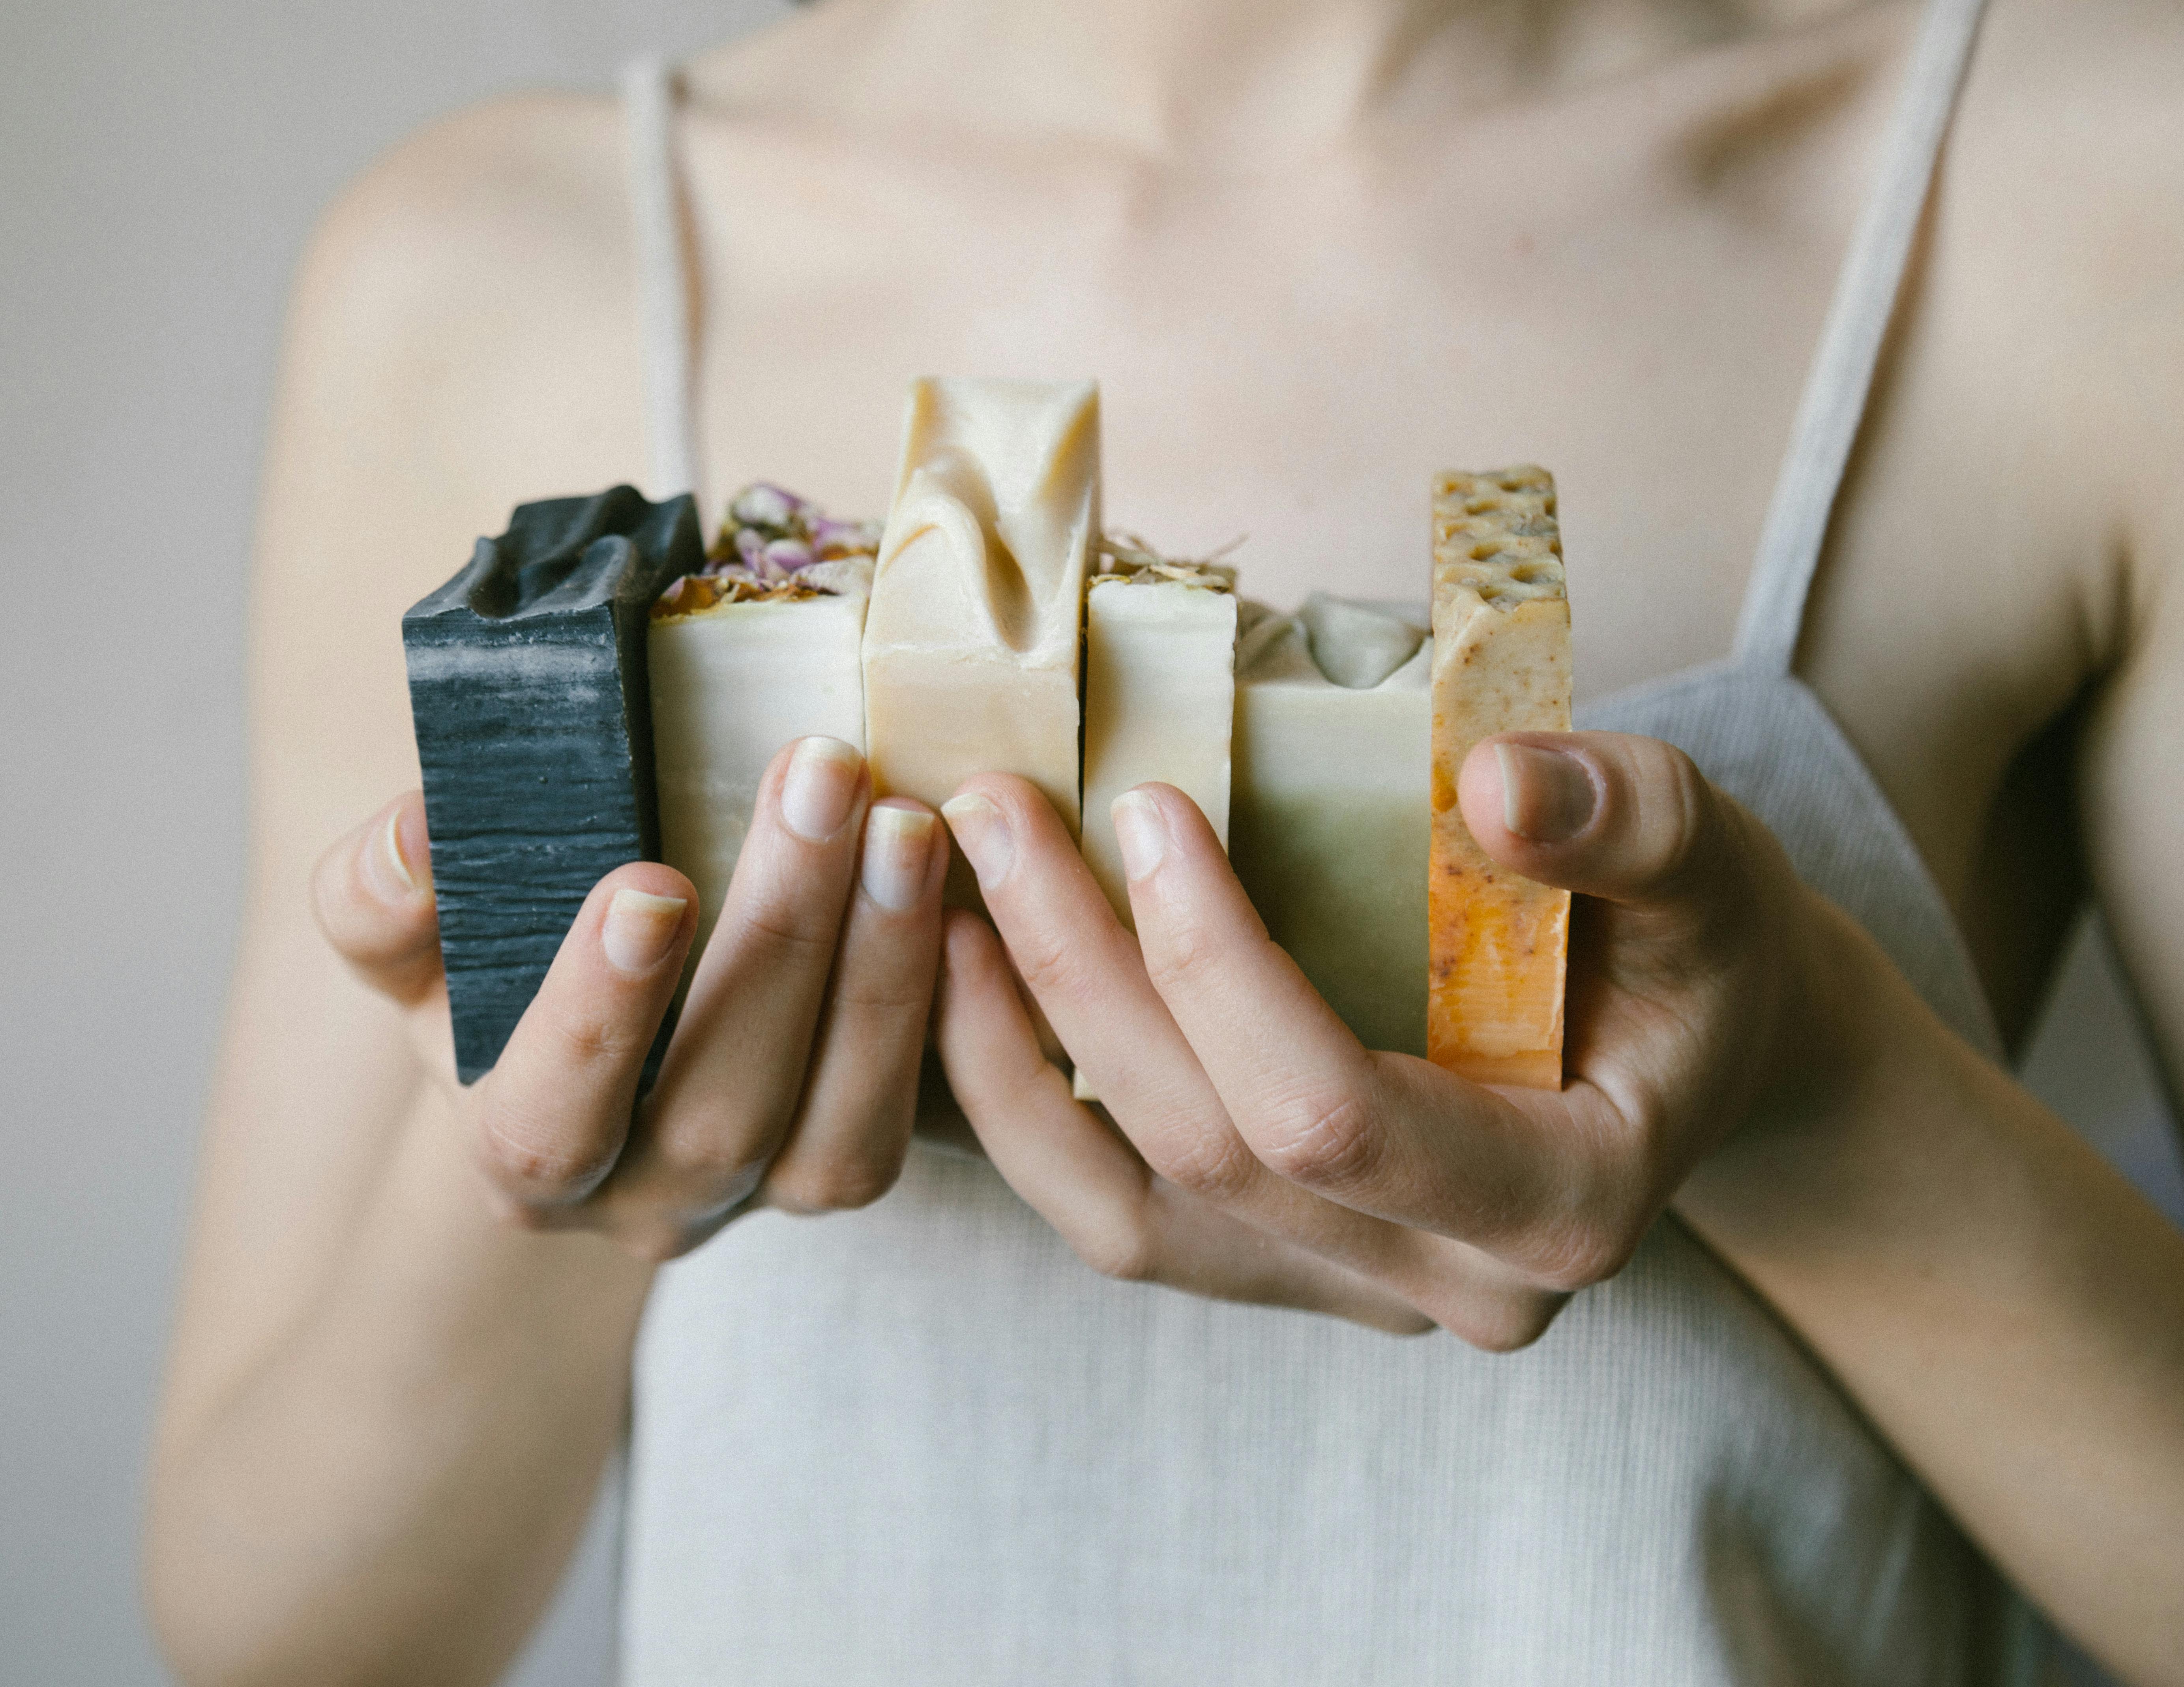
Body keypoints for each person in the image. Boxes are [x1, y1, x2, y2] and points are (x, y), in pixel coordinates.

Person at [146, 0, 2184, 1681]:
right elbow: (292, 1636)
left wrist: (1804, 1075)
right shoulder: (503, 253)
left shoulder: (2098, 186)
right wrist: (558, 1147)